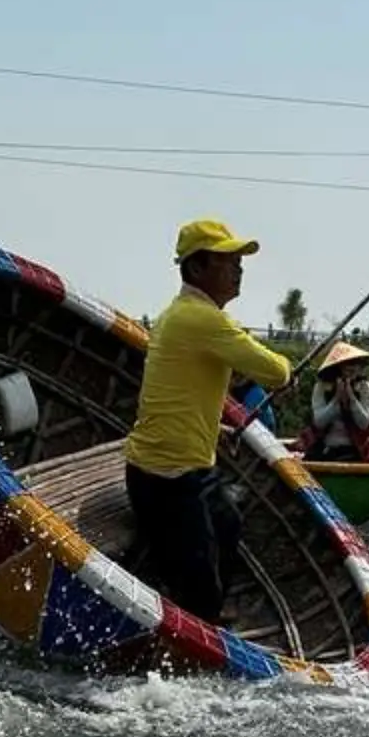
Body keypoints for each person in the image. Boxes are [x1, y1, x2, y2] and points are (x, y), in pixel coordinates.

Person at [122, 219, 293, 621]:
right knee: (200, 590)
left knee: (229, 521)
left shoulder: (176, 315)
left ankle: (204, 604)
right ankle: (200, 622)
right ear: (197, 269)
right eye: (228, 261)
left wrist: (215, 429)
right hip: (167, 476)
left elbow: (178, 393)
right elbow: (277, 372)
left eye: (238, 262)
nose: (238, 270)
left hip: (188, 467)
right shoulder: (203, 319)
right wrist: (285, 366)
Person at [294, 341, 369, 462]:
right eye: (348, 364)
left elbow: (365, 424)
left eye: (356, 363)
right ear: (338, 366)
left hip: (358, 449)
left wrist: (352, 399)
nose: (353, 367)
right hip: (325, 447)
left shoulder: (366, 388)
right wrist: (336, 401)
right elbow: (319, 422)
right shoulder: (321, 387)